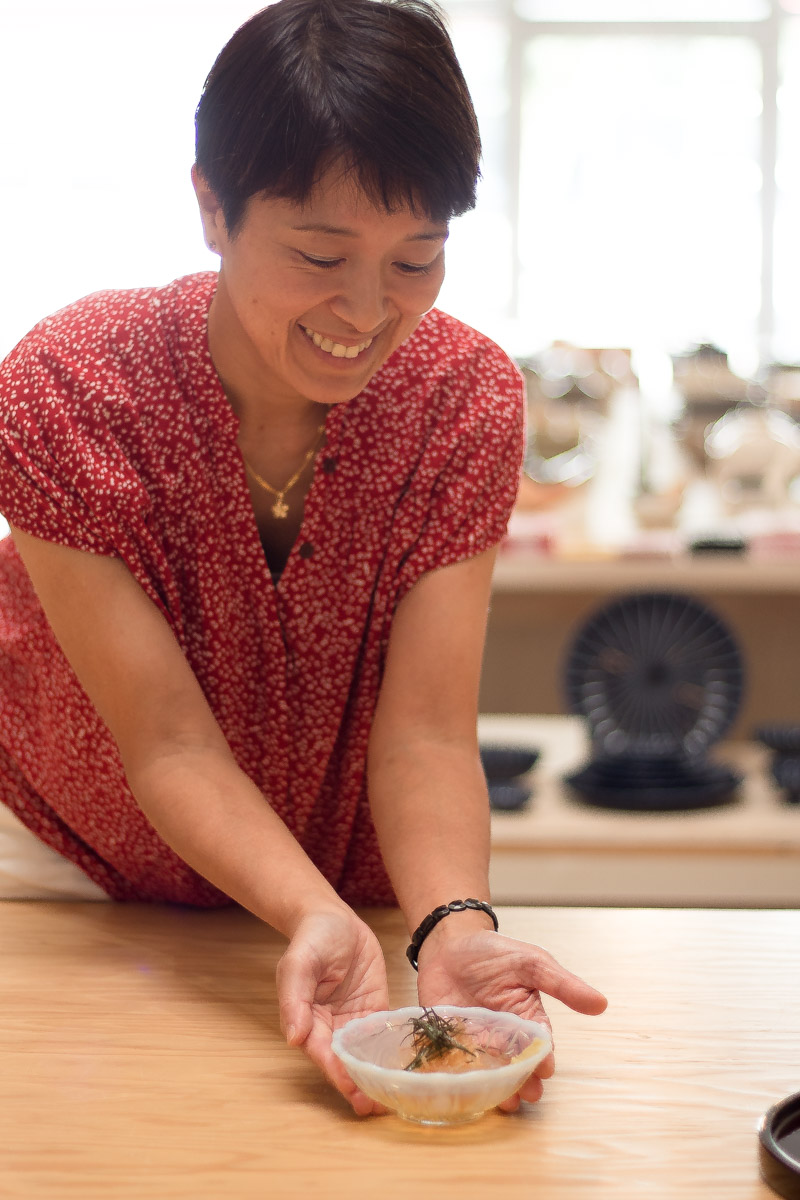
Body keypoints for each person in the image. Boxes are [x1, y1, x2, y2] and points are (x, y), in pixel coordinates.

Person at [0, 0, 606, 1114]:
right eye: (320, 253)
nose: (368, 312)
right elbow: (169, 743)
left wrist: (451, 924)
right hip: (75, 874)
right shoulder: (66, 388)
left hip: (348, 900)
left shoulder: (461, 397)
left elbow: (424, 733)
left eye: (417, 257)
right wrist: (307, 907)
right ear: (211, 208)